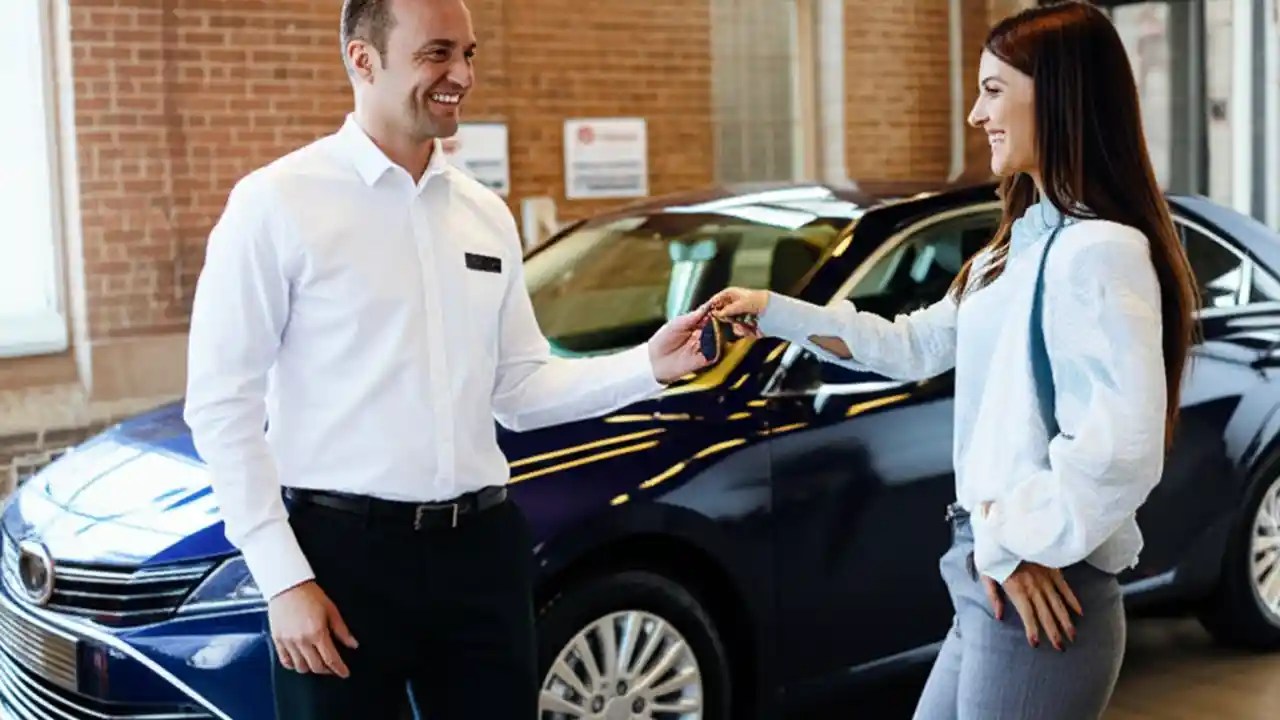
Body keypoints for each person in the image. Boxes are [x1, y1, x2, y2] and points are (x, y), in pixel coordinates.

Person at [181, 0, 714, 717]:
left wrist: (645, 365)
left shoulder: (484, 213)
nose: (461, 74)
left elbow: (519, 389)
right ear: (361, 60)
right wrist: (282, 579)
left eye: (469, 54)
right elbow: (222, 407)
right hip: (340, 560)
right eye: (437, 53)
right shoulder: (275, 204)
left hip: (481, 555)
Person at [709, 2, 1198, 718]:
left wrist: (1009, 534)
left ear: (1058, 95)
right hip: (989, 579)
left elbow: (1120, 448)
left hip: (1040, 592)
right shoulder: (1019, 244)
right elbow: (914, 346)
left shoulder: (1098, 252)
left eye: (994, 90)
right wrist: (775, 312)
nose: (975, 114)